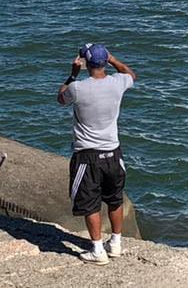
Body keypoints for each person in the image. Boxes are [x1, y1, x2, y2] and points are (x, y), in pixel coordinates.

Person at [57, 42, 136, 265]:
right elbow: (131, 75)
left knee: (90, 202)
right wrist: (114, 59)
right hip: (113, 152)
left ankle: (98, 250)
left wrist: (72, 75)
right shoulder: (117, 82)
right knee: (115, 199)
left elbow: (61, 98)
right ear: (104, 62)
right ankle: (116, 244)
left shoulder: (78, 88)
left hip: (87, 155)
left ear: (86, 63)